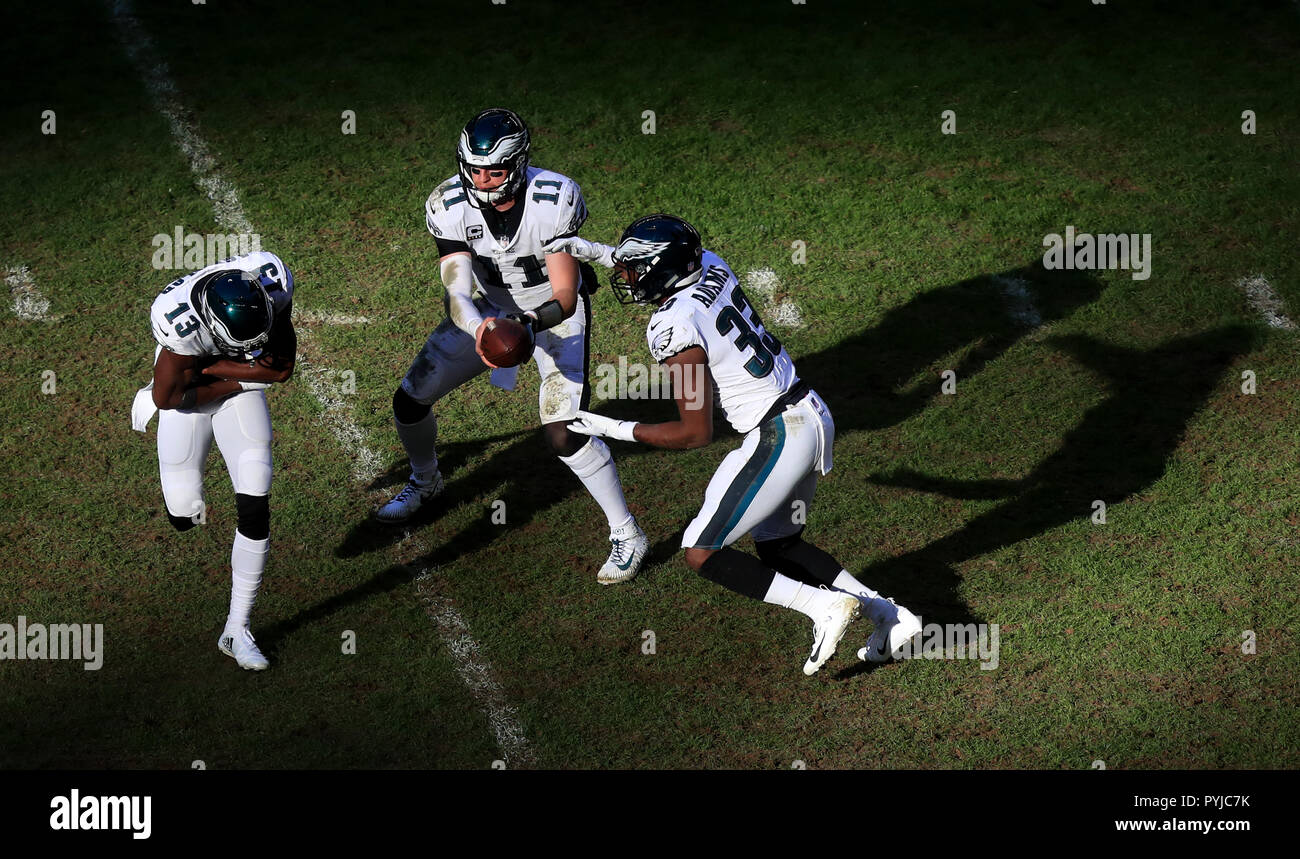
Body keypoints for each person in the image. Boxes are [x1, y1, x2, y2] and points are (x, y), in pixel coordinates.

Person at [551, 215, 922, 674]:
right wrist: (591, 249)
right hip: (812, 410)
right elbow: (668, 263)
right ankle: (888, 615)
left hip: (779, 432)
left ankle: (823, 607)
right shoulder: (710, 264)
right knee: (780, 543)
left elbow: (694, 432)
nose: (624, 276)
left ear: (659, 269)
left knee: (702, 551)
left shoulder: (673, 328)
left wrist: (613, 427)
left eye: (632, 267)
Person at [378, 108, 648, 585]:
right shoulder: (447, 203)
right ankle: (427, 479)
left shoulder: (553, 198)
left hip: (549, 315)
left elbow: (565, 295)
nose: (484, 181)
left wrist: (526, 322)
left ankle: (627, 533)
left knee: (563, 432)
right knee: (409, 401)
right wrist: (482, 329)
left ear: (520, 163)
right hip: (487, 312)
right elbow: (457, 290)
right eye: (475, 170)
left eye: (496, 170)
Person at [130, 251, 296, 670]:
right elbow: (169, 398)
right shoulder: (177, 321)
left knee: (255, 498)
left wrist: (235, 378)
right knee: (185, 514)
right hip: (186, 399)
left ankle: (236, 629)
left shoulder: (272, 281)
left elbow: (279, 370)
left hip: (234, 387)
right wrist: (241, 373)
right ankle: (182, 505)